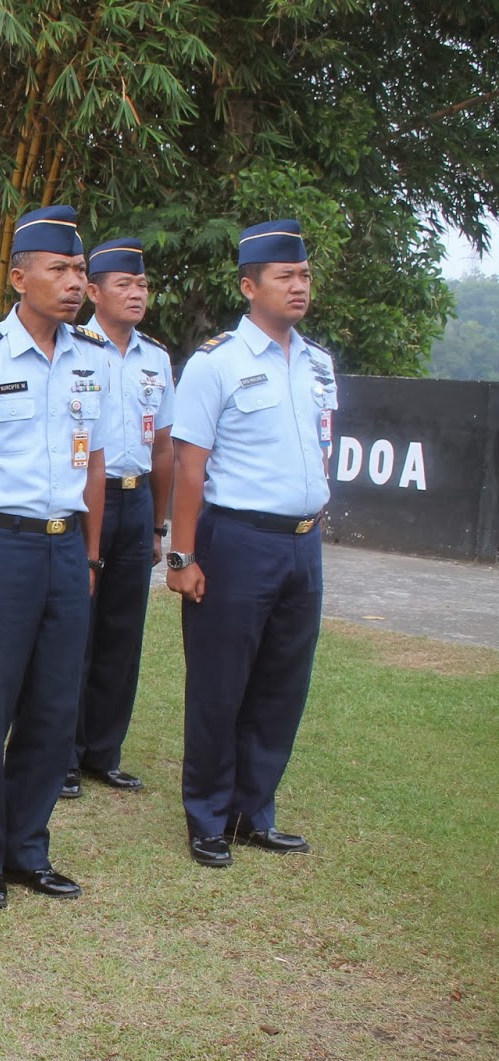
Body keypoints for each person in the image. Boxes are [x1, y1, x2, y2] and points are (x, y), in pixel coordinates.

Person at [0, 205, 116, 909]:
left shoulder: (93, 359)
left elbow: (94, 462)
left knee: (53, 707)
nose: (75, 283)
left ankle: (26, 849)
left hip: (66, 551)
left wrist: (90, 558)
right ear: (18, 275)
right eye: (60, 269)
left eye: (80, 270)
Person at [166, 219, 334, 868]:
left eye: (305, 276)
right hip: (236, 540)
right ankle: (207, 816)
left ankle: (252, 812)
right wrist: (182, 557)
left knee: (281, 684)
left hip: (301, 545)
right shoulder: (217, 364)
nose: (299, 287)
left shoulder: (317, 361)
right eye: (285, 277)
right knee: (220, 684)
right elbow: (189, 465)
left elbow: (319, 442)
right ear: (249, 285)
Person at [62, 237, 175, 799]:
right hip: (86, 496)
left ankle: (103, 751)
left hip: (136, 504)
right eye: (124, 285)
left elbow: (164, 447)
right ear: (92, 290)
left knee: (121, 631)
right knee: (71, 627)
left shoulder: (156, 358)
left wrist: (159, 526)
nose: (137, 294)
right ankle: (61, 752)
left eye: (143, 285)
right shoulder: (74, 349)